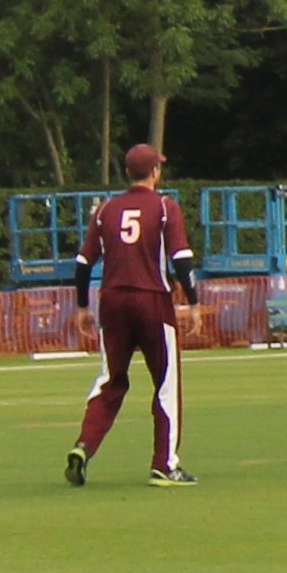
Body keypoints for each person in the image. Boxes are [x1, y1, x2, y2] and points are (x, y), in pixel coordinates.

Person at [65, 140, 201, 486]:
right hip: (152, 301)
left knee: (111, 380)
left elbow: (83, 263)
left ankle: (84, 445)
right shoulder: (165, 207)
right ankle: (164, 464)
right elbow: (180, 259)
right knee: (165, 385)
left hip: (112, 302)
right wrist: (194, 300)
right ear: (155, 171)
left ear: (128, 172)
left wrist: (82, 304)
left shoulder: (106, 210)